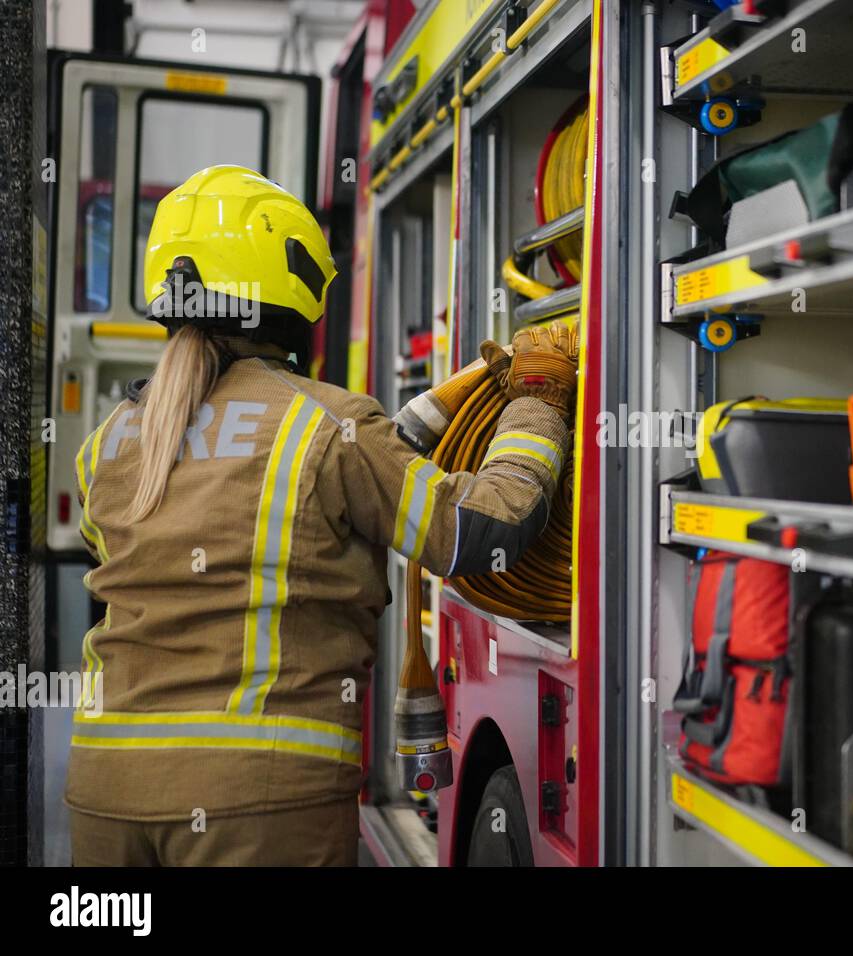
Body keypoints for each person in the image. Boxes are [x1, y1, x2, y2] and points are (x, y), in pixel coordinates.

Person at [65, 165, 576, 866]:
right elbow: (483, 532)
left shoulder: (110, 441)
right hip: (258, 796)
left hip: (104, 786)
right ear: (290, 286)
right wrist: (538, 405)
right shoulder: (329, 426)